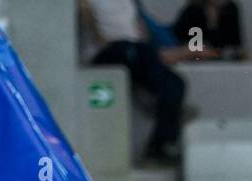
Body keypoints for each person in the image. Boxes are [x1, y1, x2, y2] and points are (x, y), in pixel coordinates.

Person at [78, 0, 188, 164]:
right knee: (129, 50)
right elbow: (85, 13)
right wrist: (99, 37)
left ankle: (160, 144)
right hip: (107, 50)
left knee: (176, 83)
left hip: (135, 48)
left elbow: (140, 25)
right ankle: (161, 105)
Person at [173, 0, 244, 60]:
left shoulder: (230, 9)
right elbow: (181, 41)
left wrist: (213, 23)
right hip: (195, 59)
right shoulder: (191, 10)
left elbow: (235, 43)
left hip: (222, 58)